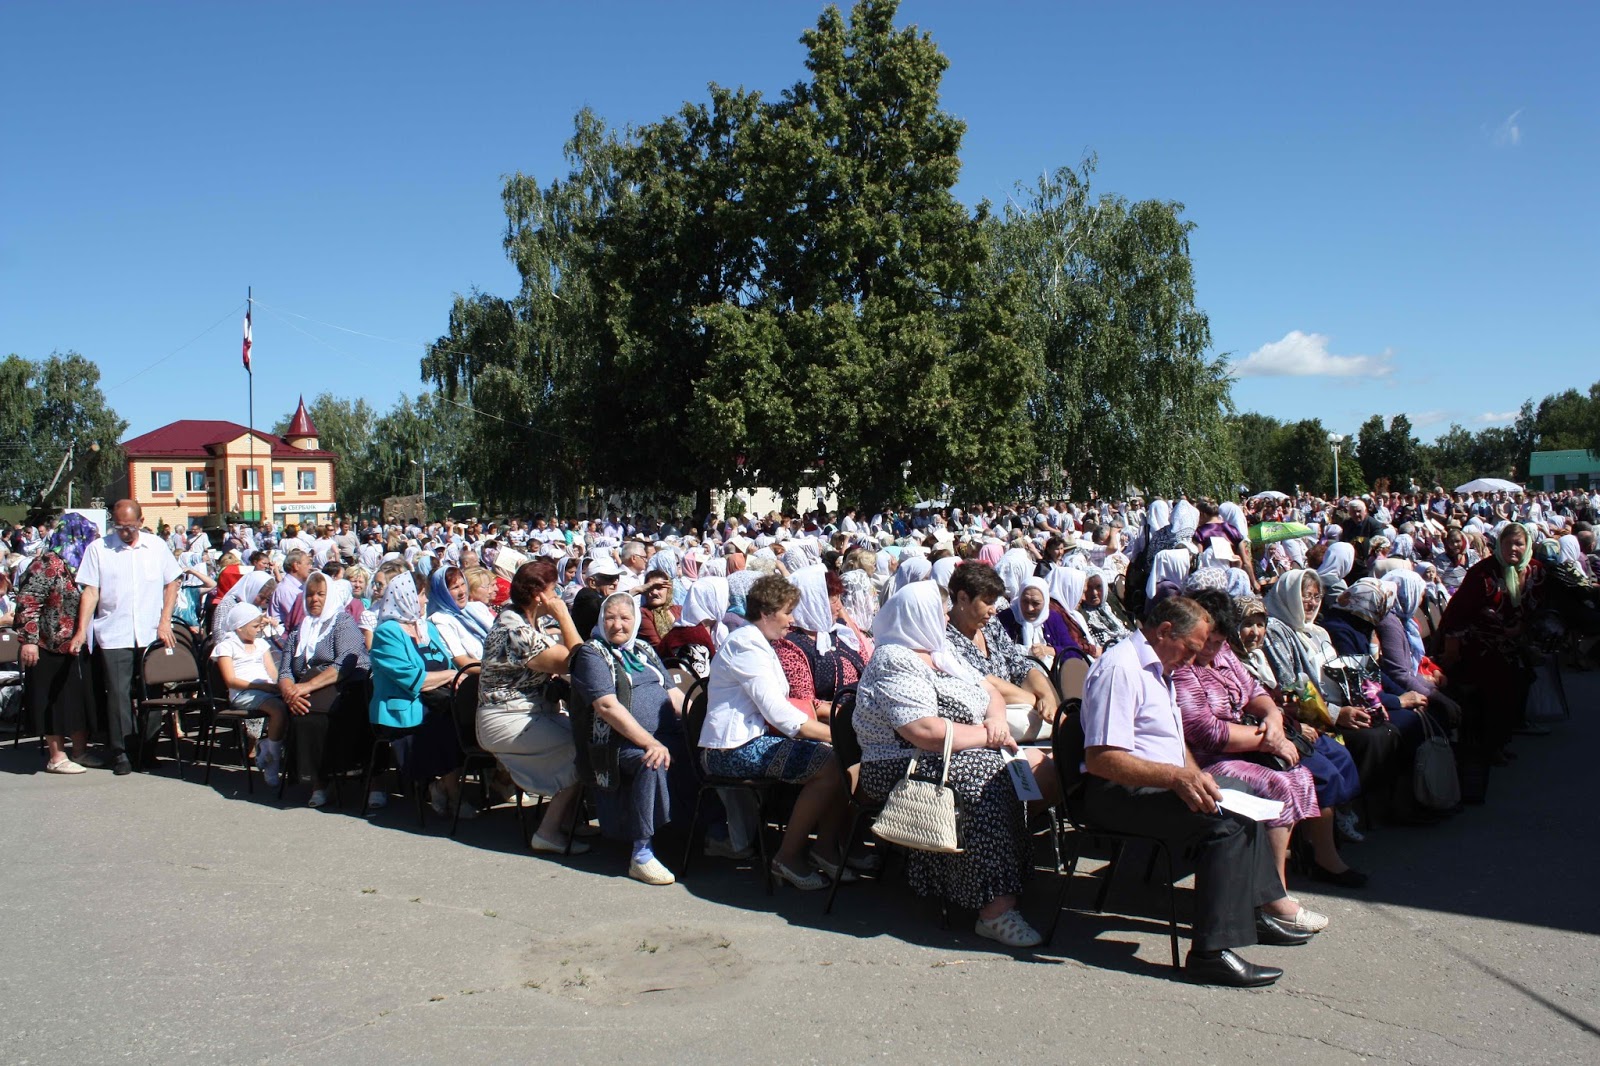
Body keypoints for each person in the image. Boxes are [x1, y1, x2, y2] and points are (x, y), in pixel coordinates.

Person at [1080, 595, 1313, 988]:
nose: (1192, 661)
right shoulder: (1122, 669)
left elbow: (1173, 740)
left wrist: (1192, 774)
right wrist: (1176, 778)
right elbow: (1103, 759)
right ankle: (1210, 953)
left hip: (1154, 782)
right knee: (1225, 825)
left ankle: (1250, 913)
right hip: (1116, 793)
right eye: (1189, 649)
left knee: (1244, 799)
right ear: (1165, 631)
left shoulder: (1159, 666)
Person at [854, 580, 1054, 947]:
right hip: (900, 761)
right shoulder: (893, 659)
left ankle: (999, 878)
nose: (945, 617)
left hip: (952, 749)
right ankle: (994, 910)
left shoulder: (941, 652)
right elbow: (923, 730)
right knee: (989, 777)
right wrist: (988, 736)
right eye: (938, 611)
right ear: (918, 617)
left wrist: (995, 722)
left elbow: (990, 690)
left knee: (1030, 767)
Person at [1174, 590, 1345, 910]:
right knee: (1279, 784)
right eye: (1208, 640)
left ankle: (1274, 884)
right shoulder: (1184, 665)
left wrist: (1273, 718)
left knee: (1301, 776)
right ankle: (1272, 897)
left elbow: (1255, 691)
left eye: (1218, 641)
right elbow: (1206, 733)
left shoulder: (1223, 652)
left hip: (1247, 744)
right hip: (1206, 759)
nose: (1211, 648)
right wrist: (1269, 739)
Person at [699, 574, 850, 891]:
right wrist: (833, 735)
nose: (792, 619)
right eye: (787, 612)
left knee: (841, 762)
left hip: (752, 740)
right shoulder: (745, 646)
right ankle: (787, 857)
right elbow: (778, 712)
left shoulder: (758, 643)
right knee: (831, 763)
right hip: (729, 750)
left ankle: (823, 849)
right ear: (767, 613)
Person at [568, 592, 691, 885]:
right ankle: (642, 852)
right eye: (610, 617)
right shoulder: (591, 654)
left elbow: (673, 693)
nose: (617, 625)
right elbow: (606, 706)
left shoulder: (644, 650)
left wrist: (698, 721)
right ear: (601, 619)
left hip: (665, 733)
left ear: (635, 620)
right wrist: (649, 742)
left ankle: (705, 834)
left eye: (625, 617)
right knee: (652, 761)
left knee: (703, 753)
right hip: (619, 742)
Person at [475, 560, 589, 853]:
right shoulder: (516, 632)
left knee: (587, 739)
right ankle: (548, 832)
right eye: (554, 590)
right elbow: (576, 661)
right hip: (505, 719)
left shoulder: (519, 617)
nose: (558, 595)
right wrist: (564, 615)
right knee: (582, 751)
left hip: (527, 713)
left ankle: (568, 819)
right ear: (541, 595)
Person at [69, 499, 182, 775]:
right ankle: (121, 752)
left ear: (141, 522)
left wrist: (165, 620)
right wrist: (82, 630)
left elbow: (172, 582)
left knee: (152, 691)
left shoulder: (156, 546)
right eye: (119, 527)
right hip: (114, 632)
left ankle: (148, 748)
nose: (125, 533)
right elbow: (91, 591)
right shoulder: (99, 549)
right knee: (118, 695)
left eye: (130, 527)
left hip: (149, 632)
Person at [369, 575, 474, 818]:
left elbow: (446, 662)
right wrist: (451, 675)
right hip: (405, 706)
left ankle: (445, 786)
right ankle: (453, 792)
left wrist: (452, 677)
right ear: (406, 597)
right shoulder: (387, 633)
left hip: (439, 698)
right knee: (442, 723)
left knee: (469, 716)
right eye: (421, 594)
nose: (426, 600)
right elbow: (411, 679)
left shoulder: (426, 628)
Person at [274, 572, 370, 806]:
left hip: (344, 686)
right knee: (303, 716)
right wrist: (289, 692)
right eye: (309, 595)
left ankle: (367, 780)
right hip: (309, 690)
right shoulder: (299, 629)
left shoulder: (342, 622)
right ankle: (317, 782)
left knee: (327, 716)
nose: (314, 599)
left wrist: (305, 687)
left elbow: (344, 664)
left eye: (320, 594)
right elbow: (286, 669)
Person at [15, 514, 99, 774]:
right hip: (48, 642)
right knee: (52, 699)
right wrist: (29, 641)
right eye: (88, 535)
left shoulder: (84, 565)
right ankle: (56, 756)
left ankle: (80, 750)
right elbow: (28, 602)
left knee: (77, 698)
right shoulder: (47, 563)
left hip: (79, 642)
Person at [942, 562, 1057, 742]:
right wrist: (1035, 701)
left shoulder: (991, 625)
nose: (993, 610)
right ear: (963, 598)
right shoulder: (946, 637)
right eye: (987, 602)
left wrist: (1047, 696)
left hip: (1021, 714)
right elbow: (984, 683)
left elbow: (1019, 665)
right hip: (987, 729)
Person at [211, 603, 291, 788]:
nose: (258, 630)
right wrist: (261, 688)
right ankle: (273, 760)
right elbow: (230, 680)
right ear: (239, 627)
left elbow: (271, 671)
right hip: (243, 693)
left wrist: (280, 686)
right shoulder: (226, 646)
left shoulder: (261, 645)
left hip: (264, 690)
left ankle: (267, 748)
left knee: (290, 705)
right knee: (278, 709)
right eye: (255, 627)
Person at [428, 566, 489, 667]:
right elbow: (462, 661)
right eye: (455, 587)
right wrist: (498, 669)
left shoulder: (477, 607)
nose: (462, 592)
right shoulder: (440, 620)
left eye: (463, 584)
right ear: (443, 592)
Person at [1080, 570, 1131, 651]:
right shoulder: (1081, 613)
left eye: (1098, 586)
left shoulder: (1109, 603)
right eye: (1089, 587)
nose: (1094, 593)